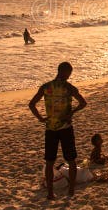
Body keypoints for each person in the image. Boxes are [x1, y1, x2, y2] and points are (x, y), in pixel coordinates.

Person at [29, 62, 87, 199]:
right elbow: (83, 103)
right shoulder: (69, 87)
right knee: (71, 160)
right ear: (67, 72)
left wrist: (40, 118)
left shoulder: (46, 87)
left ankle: (50, 193)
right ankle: (71, 190)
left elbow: (31, 105)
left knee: (50, 162)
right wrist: (72, 112)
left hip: (50, 128)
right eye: (70, 73)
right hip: (66, 127)